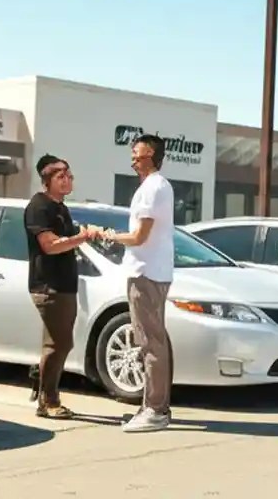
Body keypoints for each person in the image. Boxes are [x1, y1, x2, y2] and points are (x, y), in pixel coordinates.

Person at [104, 134, 176, 433]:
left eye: (138, 154)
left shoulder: (152, 188)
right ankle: (156, 406)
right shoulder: (158, 187)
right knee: (153, 341)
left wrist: (108, 235)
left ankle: (155, 410)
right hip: (152, 272)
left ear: (152, 157)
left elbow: (138, 237)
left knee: (150, 343)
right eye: (133, 154)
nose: (133, 159)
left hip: (146, 273)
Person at [25, 153, 99, 420]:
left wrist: (85, 235)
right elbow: (49, 245)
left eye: (69, 175)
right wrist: (80, 238)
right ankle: (48, 400)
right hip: (48, 286)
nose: (67, 179)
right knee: (60, 343)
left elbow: (67, 240)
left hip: (65, 285)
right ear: (47, 180)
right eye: (60, 176)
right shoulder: (39, 207)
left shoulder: (61, 207)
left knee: (57, 343)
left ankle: (42, 379)